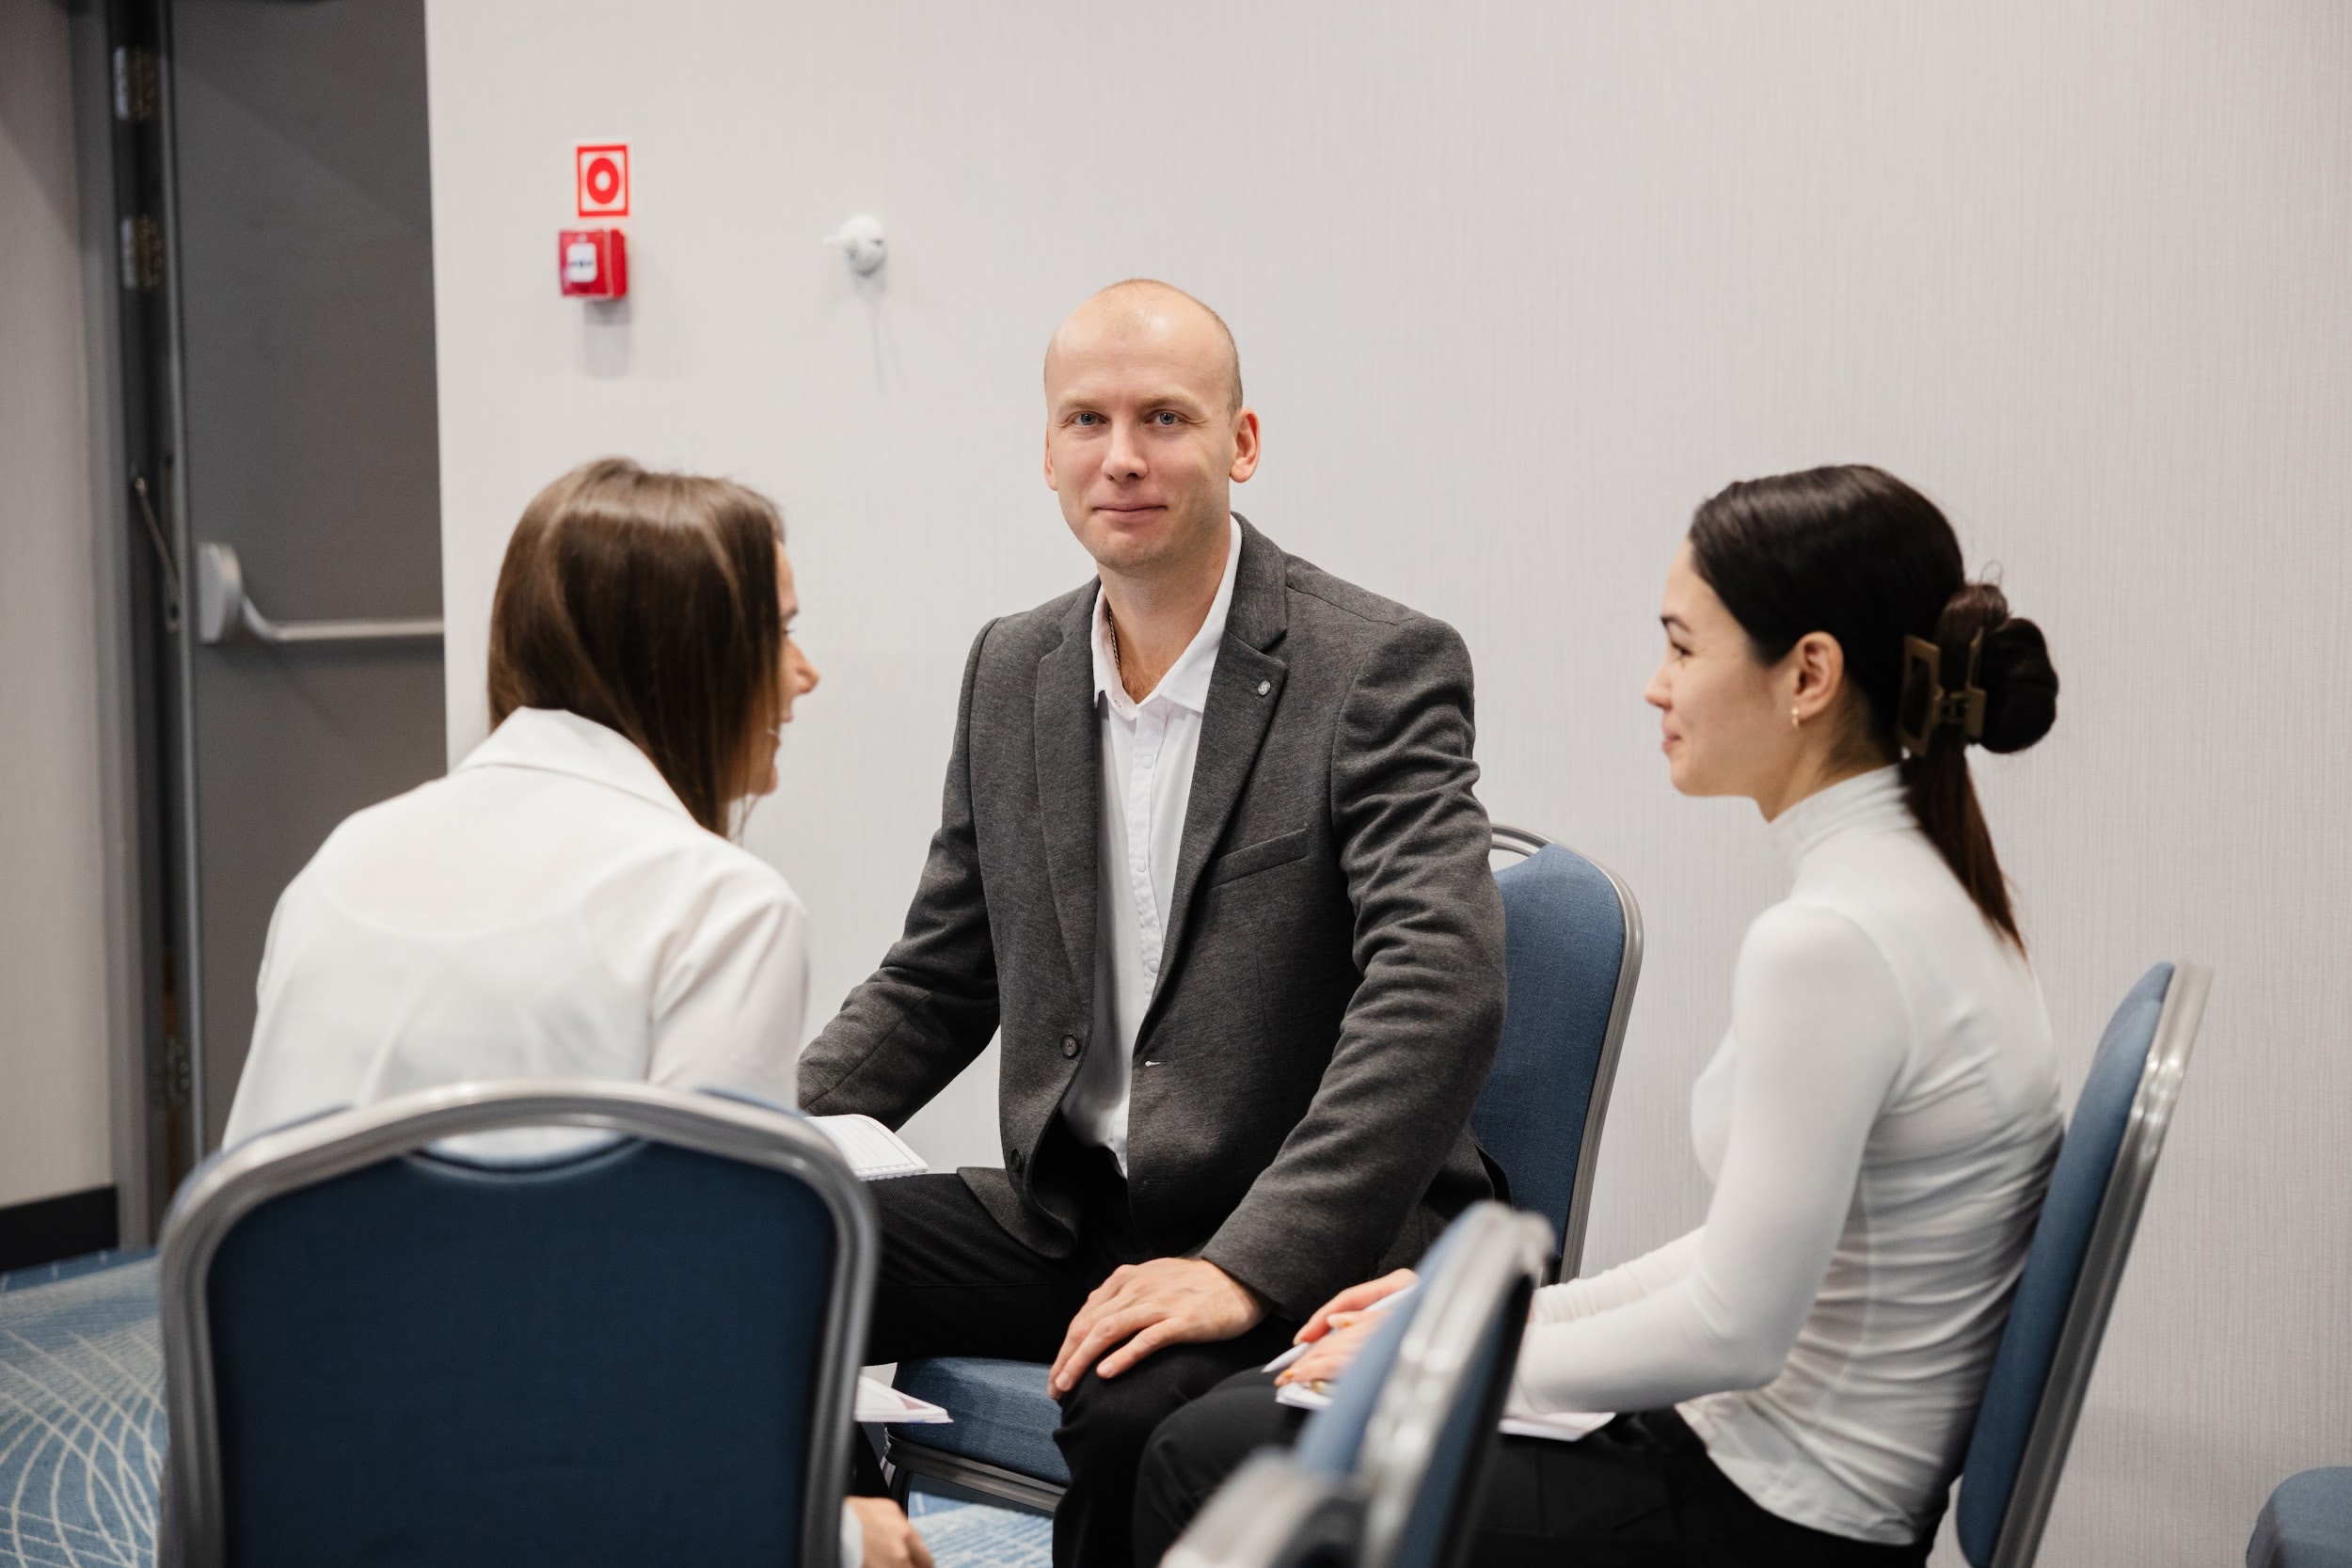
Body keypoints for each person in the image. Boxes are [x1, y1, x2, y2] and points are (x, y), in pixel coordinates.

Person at [1134, 464, 2067, 1568]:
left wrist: (1442, 1356)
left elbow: (1734, 1325)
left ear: (1808, 672)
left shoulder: (1833, 945)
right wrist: (1464, 1325)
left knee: (1208, 1446)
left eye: (1682, 644)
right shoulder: (1929, 898)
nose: (1654, 686)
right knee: (1263, 1403)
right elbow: (1738, 1262)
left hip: (1763, 1518)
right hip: (1773, 1483)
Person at [798, 280, 1507, 1567]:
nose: (1121, 457)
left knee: (1132, 1415)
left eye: (1164, 417)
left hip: (1289, 1213)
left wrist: (1245, 1264)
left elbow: (1438, 989)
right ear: (1047, 447)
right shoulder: (1013, 665)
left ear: (1240, 442)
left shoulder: (1376, 665)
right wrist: (742, 1151)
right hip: (1076, 1211)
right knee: (754, 1259)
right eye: (1086, 420)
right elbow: (939, 976)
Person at [221, 457, 929, 1568]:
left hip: (286, 1483)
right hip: (552, 1499)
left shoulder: (341, 859)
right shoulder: (720, 906)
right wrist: (834, 1533)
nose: (807, 673)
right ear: (688, 654)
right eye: (778, 631)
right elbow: (699, 1342)